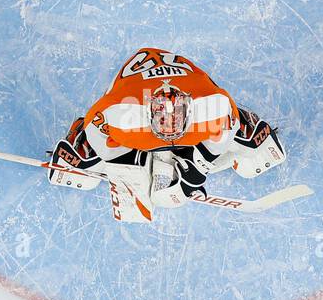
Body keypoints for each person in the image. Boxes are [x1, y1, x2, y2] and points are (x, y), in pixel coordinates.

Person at [48, 48, 286, 222]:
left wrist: (198, 169)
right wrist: (123, 170)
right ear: (146, 113)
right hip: (136, 83)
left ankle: (247, 126)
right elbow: (94, 123)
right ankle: (80, 144)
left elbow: (226, 118)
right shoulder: (121, 112)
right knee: (107, 159)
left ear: (191, 110)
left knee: (249, 146)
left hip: (189, 82)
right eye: (163, 127)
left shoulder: (213, 107)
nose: (169, 136)